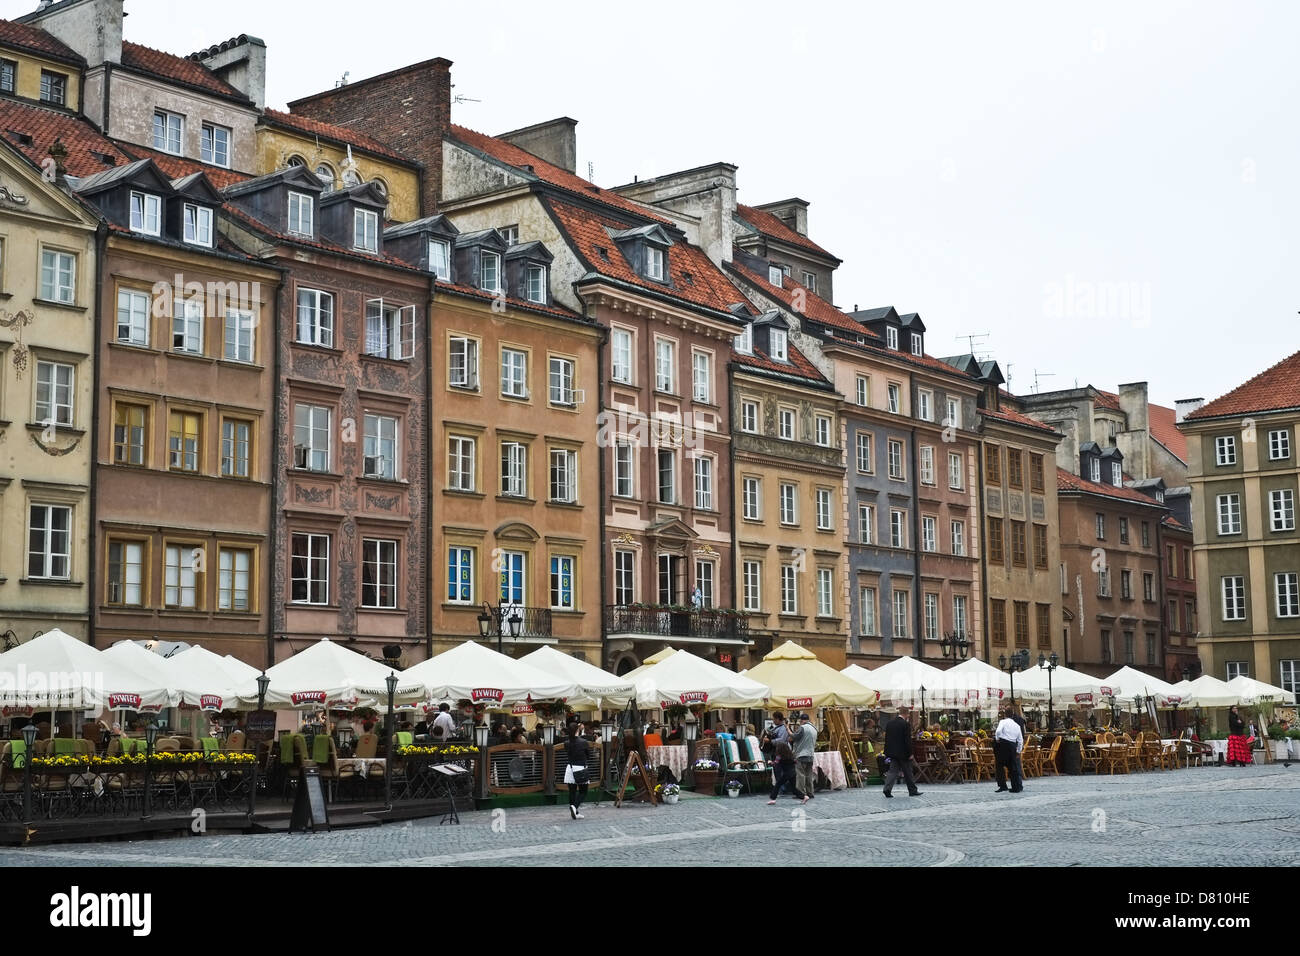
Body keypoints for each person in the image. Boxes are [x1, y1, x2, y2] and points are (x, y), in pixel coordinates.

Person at [882, 706, 921, 798]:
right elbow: (907, 740)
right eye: (908, 714)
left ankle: (887, 789)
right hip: (903, 753)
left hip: (892, 752)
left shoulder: (890, 723)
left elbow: (887, 739)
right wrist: (910, 753)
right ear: (907, 714)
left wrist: (887, 751)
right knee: (908, 772)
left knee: (892, 771)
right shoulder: (905, 724)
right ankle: (912, 790)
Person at [789, 712, 818, 805]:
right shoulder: (814, 728)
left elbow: (794, 737)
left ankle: (801, 793)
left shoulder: (803, 728)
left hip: (801, 754)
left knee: (800, 774)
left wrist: (787, 729)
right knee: (809, 774)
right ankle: (810, 792)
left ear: (801, 720)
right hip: (810, 754)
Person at [564, 722, 592, 819]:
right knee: (583, 791)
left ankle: (575, 812)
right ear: (577, 730)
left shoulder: (566, 743)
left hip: (570, 768)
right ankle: (574, 807)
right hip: (580, 768)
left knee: (572, 791)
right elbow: (588, 755)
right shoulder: (583, 742)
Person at [994, 709, 1024, 793]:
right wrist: (1018, 751)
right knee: (1012, 767)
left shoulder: (1003, 722)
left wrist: (997, 739)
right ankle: (1015, 787)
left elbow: (998, 731)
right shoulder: (1017, 726)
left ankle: (1003, 785)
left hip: (1003, 745)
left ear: (1005, 715)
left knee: (999, 766)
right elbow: (1020, 740)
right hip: (1012, 746)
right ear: (1013, 715)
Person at [766, 731, 796, 805]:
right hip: (793, 773)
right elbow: (795, 762)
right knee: (794, 789)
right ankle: (804, 797)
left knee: (778, 784)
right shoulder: (790, 755)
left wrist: (770, 762)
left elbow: (775, 763)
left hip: (787, 774)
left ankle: (773, 799)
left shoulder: (779, 756)